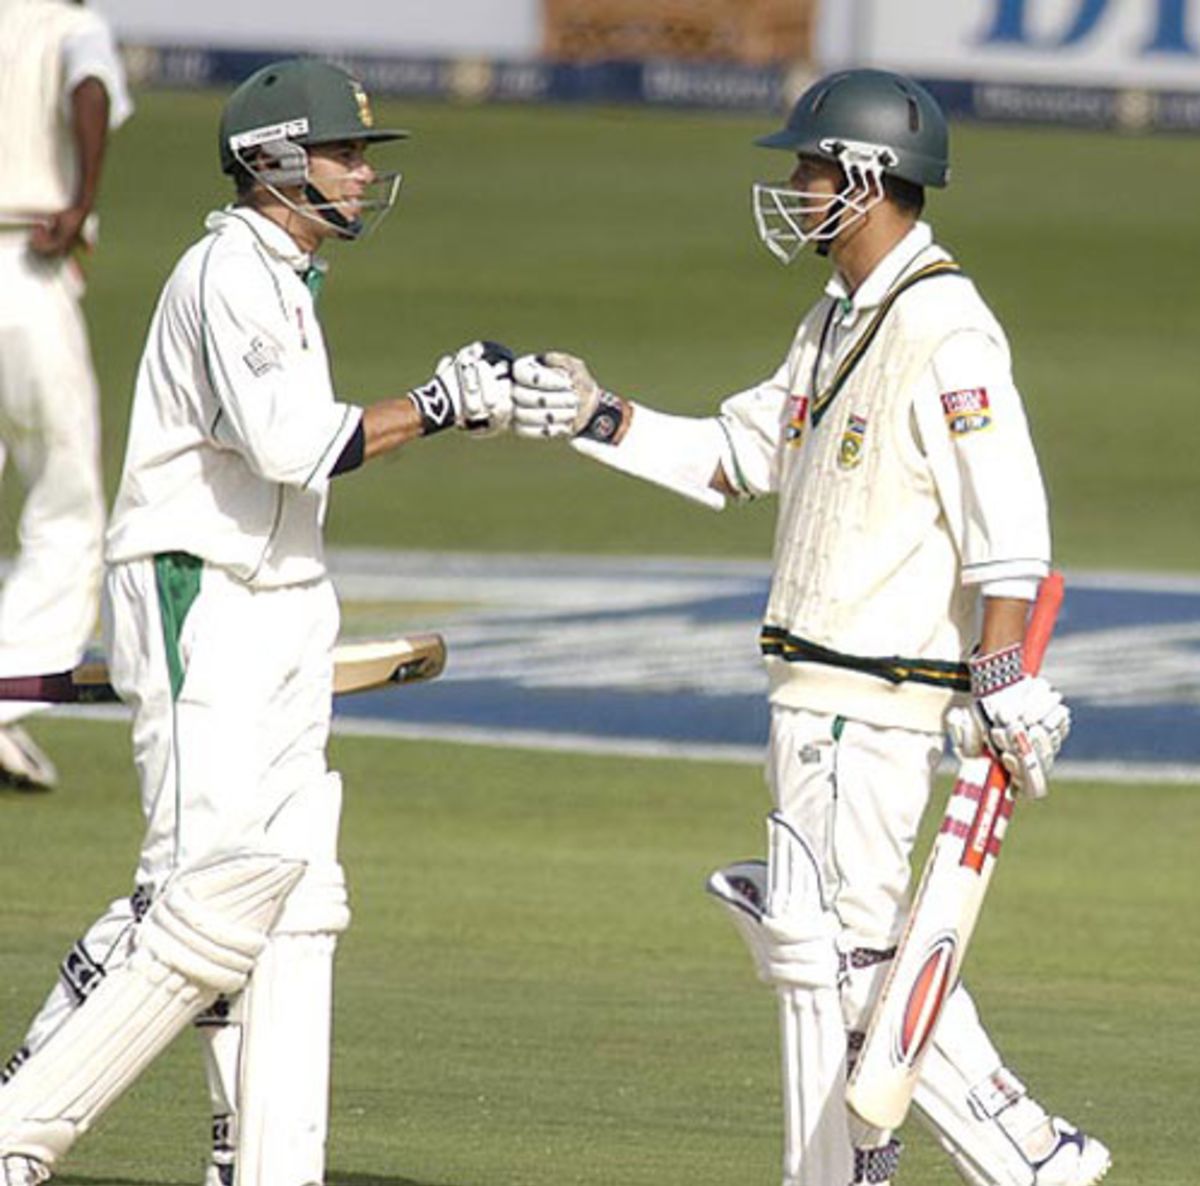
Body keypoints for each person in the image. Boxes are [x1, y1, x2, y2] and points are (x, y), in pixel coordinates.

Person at [508, 69, 1110, 1186]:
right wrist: (597, 416)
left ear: (871, 178)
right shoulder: (838, 318)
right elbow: (739, 457)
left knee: (835, 960)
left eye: (812, 168)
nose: (793, 187)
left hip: (866, 699)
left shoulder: (945, 327)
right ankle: (966, 1156)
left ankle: (1016, 1154)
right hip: (815, 698)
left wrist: (1002, 673)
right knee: (846, 957)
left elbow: (1009, 521)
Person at [0, 58, 515, 1186]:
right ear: (276, 159)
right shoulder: (228, 270)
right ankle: (18, 1129)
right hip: (200, 592)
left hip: (273, 604)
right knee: (192, 900)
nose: (359, 173)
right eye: (343, 152)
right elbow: (290, 445)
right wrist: (436, 406)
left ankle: (263, 1161)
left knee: (279, 887)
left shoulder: (284, 277)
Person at [0, 0, 133, 791]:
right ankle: (5, 686)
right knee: (65, 503)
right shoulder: (67, 21)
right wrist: (80, 201)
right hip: (23, 262)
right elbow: (89, 86)